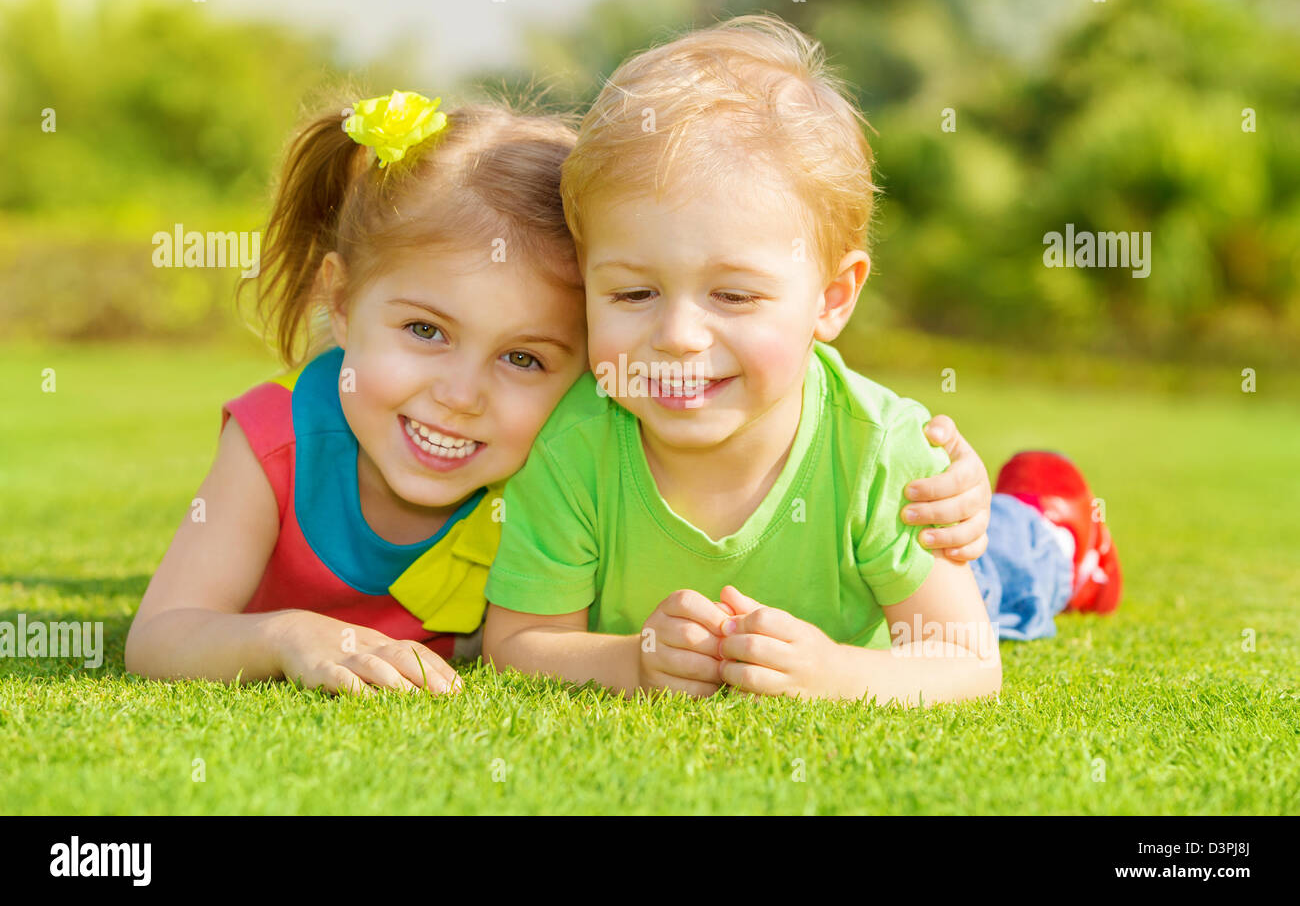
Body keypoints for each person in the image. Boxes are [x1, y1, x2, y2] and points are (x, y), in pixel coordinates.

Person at [124, 87, 995, 697]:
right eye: (425, 331)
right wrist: (284, 637)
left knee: (1018, 563)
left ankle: (1041, 523)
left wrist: (957, 480)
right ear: (342, 303)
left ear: (583, 359)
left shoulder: (574, 433)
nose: (459, 395)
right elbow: (160, 634)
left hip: (918, 556)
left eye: (526, 359)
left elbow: (948, 625)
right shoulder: (278, 443)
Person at [481, 17, 1122, 706]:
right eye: (634, 292)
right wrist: (632, 661)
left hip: (924, 584)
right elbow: (518, 643)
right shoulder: (575, 445)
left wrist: (836, 674)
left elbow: (967, 662)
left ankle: (1056, 528)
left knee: (1010, 571)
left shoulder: (880, 453)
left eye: (733, 294)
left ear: (832, 297)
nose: (678, 335)